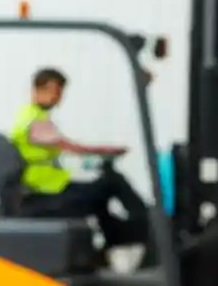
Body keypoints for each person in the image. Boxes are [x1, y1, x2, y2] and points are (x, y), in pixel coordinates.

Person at [10, 67, 151, 259]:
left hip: (48, 189)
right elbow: (71, 147)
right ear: (37, 90)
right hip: (46, 195)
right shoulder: (34, 120)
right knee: (111, 182)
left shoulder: (30, 116)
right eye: (53, 91)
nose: (57, 97)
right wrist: (106, 150)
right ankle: (152, 226)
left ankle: (116, 239)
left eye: (60, 92)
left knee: (98, 194)